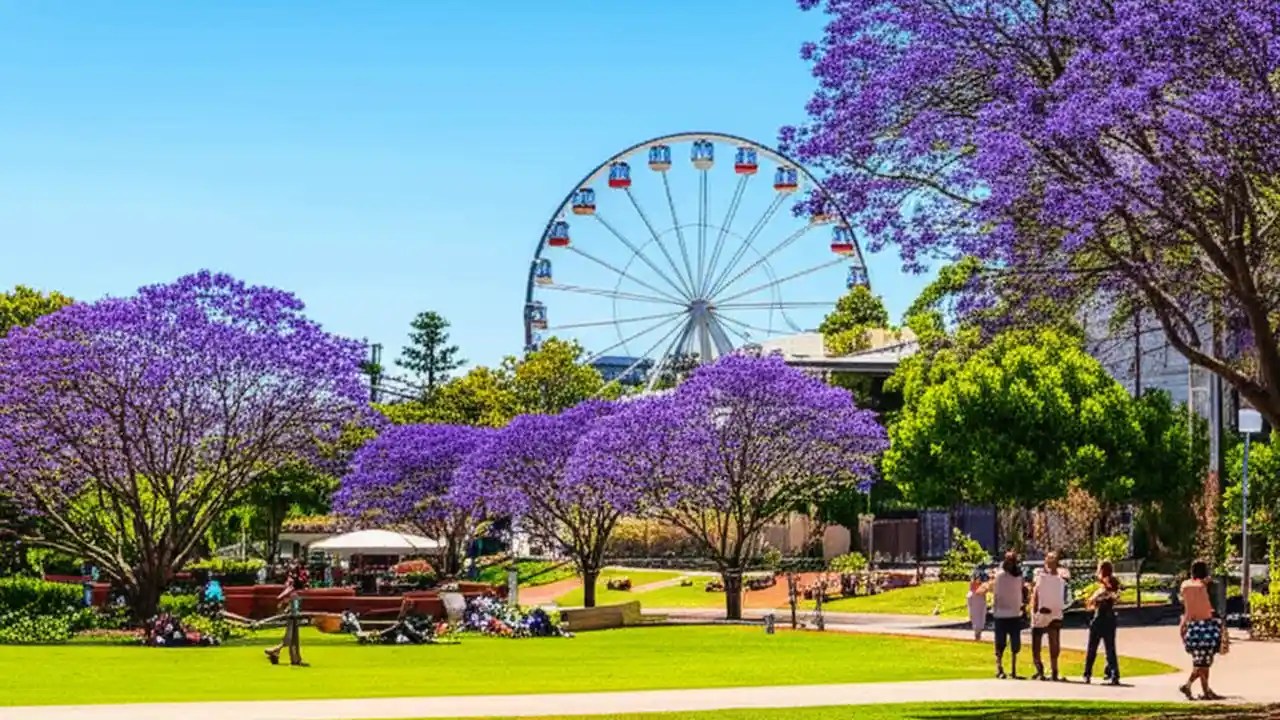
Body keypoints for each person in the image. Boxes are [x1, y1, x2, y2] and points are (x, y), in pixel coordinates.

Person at [1179, 560, 1223, 701]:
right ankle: (1189, 685)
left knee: (1201, 661)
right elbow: (1214, 607)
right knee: (1203, 663)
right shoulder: (1207, 586)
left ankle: (1206, 690)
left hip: (1191, 626)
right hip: (1208, 626)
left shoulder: (1185, 586)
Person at [1031, 551, 1069, 681]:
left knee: (1036, 641)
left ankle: (1040, 669)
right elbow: (1064, 597)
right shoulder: (1061, 581)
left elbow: (1035, 594)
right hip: (1055, 613)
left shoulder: (1040, 577)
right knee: (1054, 641)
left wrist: (1034, 611)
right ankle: (1054, 670)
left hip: (1042, 612)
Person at [1082, 561, 1120, 685]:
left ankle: (1087, 673)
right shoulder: (1106, 587)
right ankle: (1113, 674)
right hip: (1110, 619)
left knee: (1093, 647)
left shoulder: (1107, 586)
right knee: (1110, 648)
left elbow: (1107, 594)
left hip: (1100, 618)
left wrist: (1095, 599)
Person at [991, 551, 1026, 679]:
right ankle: (999, 668)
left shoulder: (1018, 577)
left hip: (1014, 613)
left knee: (1015, 645)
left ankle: (1013, 669)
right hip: (1001, 614)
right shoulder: (1000, 576)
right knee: (1000, 644)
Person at [264, 565, 307, 666]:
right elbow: (286, 601)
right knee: (290, 638)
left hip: (293, 616)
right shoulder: (293, 592)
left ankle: (295, 658)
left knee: (293, 639)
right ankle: (277, 651)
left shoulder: (292, 591)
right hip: (292, 617)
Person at [967, 566, 990, 641]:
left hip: (974, 596)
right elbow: (979, 588)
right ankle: (977, 635)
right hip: (977, 597)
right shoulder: (980, 576)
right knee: (979, 617)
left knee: (976, 616)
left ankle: (977, 634)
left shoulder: (975, 575)